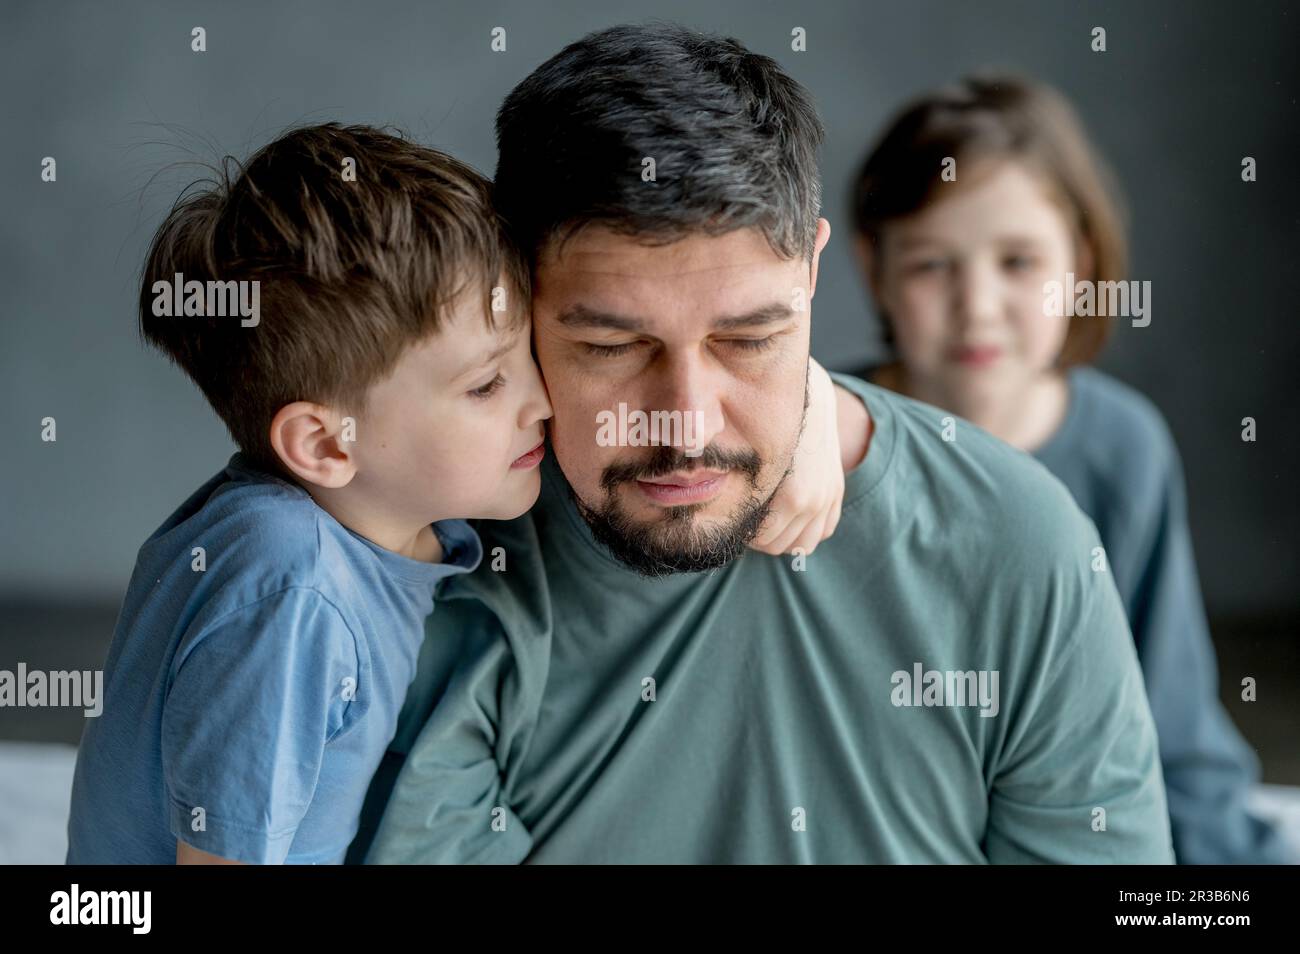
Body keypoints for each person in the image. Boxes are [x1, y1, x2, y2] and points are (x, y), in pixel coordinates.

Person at [355, 25, 1175, 864]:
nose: (689, 425)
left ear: (812, 275)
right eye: (611, 348)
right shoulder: (434, 564)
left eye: (749, 339)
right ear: (515, 296)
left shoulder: (1024, 544)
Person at [65, 122, 844, 865]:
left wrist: (813, 409)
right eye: (484, 385)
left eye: (526, 357)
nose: (540, 401)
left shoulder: (375, 516)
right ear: (325, 444)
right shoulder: (292, 588)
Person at [846, 74, 1292, 865]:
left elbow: (1169, 718)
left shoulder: (1124, 448)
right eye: (930, 265)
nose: (977, 305)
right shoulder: (829, 441)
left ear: (1079, 265)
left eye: (1018, 261)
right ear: (872, 267)